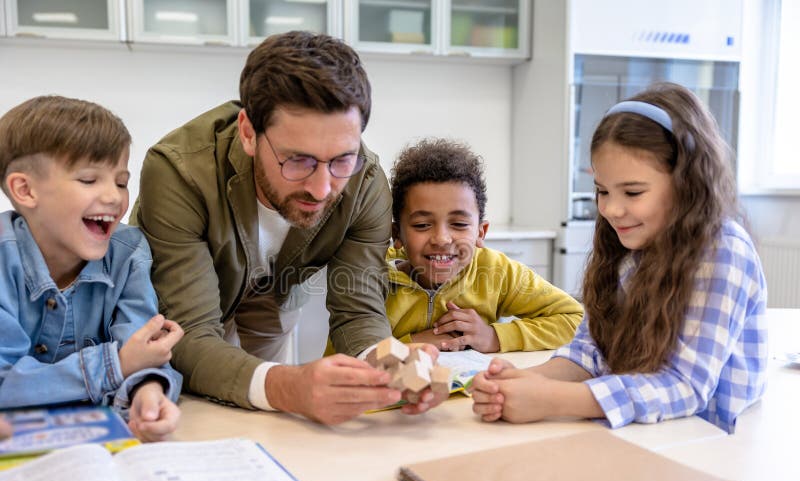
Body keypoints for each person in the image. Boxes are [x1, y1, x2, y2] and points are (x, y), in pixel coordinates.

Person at [131, 31, 439, 425]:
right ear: (248, 132)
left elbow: (359, 313)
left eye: (342, 160)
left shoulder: (365, 184)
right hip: (188, 305)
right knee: (216, 401)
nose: (322, 188)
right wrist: (287, 386)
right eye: (298, 161)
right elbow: (189, 333)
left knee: (265, 410)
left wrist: (398, 370)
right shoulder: (178, 172)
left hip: (276, 290)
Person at [471, 82, 767, 433]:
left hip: (706, 445)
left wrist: (551, 399)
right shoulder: (627, 251)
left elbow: (685, 387)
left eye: (633, 191)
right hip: (643, 436)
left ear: (687, 182)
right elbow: (591, 351)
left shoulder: (723, 251)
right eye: (602, 191)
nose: (611, 209)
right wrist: (521, 382)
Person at [0, 96, 184, 442]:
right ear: (25, 190)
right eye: (89, 180)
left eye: (121, 181)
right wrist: (115, 365)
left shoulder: (127, 254)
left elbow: (140, 349)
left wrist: (148, 391)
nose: (114, 197)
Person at [386, 138, 583, 353]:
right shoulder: (371, 278)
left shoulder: (495, 271)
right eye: (422, 225)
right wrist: (408, 344)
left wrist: (494, 337)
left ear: (481, 232)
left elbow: (575, 319)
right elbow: (350, 347)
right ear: (397, 234)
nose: (442, 239)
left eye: (459, 224)